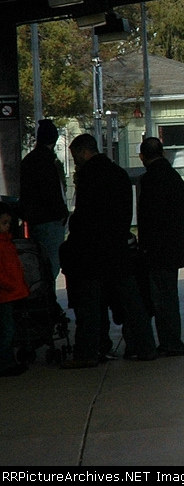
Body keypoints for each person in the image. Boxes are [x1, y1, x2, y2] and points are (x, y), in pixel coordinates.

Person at [59, 134, 157, 368]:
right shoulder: (118, 173)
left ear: (84, 152)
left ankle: (88, 352)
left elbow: (83, 216)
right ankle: (146, 347)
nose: (75, 161)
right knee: (132, 302)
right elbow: (125, 213)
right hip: (118, 248)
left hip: (93, 251)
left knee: (90, 304)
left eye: (75, 156)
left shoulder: (88, 177)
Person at [136, 137, 184, 357]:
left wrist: (144, 247)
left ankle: (169, 343)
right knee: (170, 298)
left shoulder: (149, 181)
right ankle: (173, 340)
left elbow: (148, 218)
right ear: (163, 153)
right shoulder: (175, 178)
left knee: (159, 299)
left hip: (155, 249)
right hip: (173, 246)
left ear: (142, 157)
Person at [19, 119, 69, 289]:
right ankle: (49, 302)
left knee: (39, 264)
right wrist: (62, 212)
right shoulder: (48, 162)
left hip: (35, 220)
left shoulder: (29, 161)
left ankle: (43, 300)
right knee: (51, 265)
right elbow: (52, 193)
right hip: (51, 220)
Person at [0, 202, 29, 377]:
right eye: (4, 223)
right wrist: (12, 285)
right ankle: (5, 363)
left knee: (9, 330)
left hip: (10, 292)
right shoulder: (5, 244)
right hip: (5, 293)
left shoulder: (7, 243)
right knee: (6, 331)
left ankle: (8, 361)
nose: (8, 226)